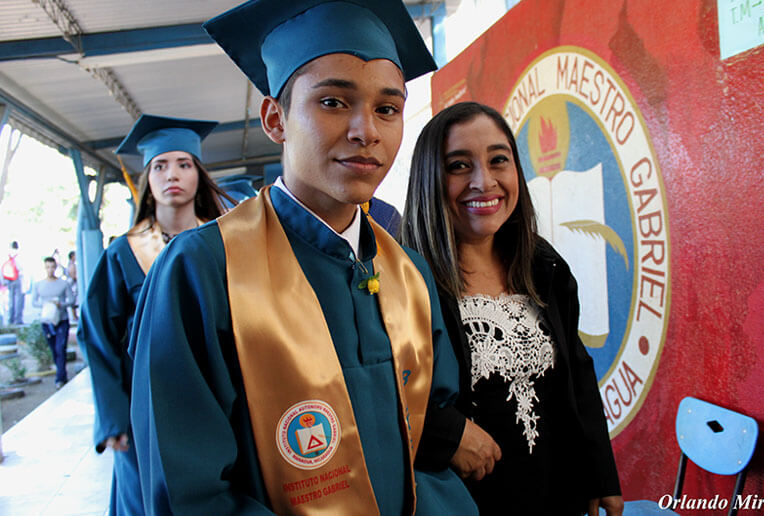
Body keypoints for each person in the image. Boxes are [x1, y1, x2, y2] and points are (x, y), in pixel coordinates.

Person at [128, 1, 477, 514]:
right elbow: (191, 493)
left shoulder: (408, 271)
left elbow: (430, 437)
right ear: (276, 119)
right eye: (334, 102)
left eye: (388, 108)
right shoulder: (203, 271)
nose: (367, 131)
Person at [401, 101, 624, 516]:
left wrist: (600, 472)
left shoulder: (544, 265)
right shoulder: (404, 280)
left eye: (498, 160)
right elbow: (381, 399)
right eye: (458, 166)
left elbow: (576, 372)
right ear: (429, 180)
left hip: (557, 495)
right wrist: (446, 435)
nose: (484, 182)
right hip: (463, 502)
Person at [77, 114, 234, 516]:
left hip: (213, 400)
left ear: (199, 174)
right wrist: (113, 417)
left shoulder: (222, 245)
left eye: (184, 164)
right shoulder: (122, 254)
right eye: (160, 166)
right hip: (141, 412)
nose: (172, 175)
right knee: (145, 501)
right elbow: (97, 336)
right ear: (147, 180)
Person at [32, 256, 74, 388]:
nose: (50, 270)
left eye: (52, 267)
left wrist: (60, 304)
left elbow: (71, 300)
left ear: (56, 267)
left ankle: (60, 378)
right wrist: (46, 304)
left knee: (60, 348)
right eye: (47, 267)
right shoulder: (38, 285)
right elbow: (34, 302)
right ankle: (62, 373)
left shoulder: (63, 283)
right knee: (54, 349)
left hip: (61, 320)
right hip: (46, 321)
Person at [2, 241, 26, 325]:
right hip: (18, 278)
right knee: (19, 300)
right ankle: (18, 320)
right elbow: (22, 269)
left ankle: (10, 319)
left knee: (11, 300)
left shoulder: (7, 255)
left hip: (9, 279)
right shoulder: (19, 255)